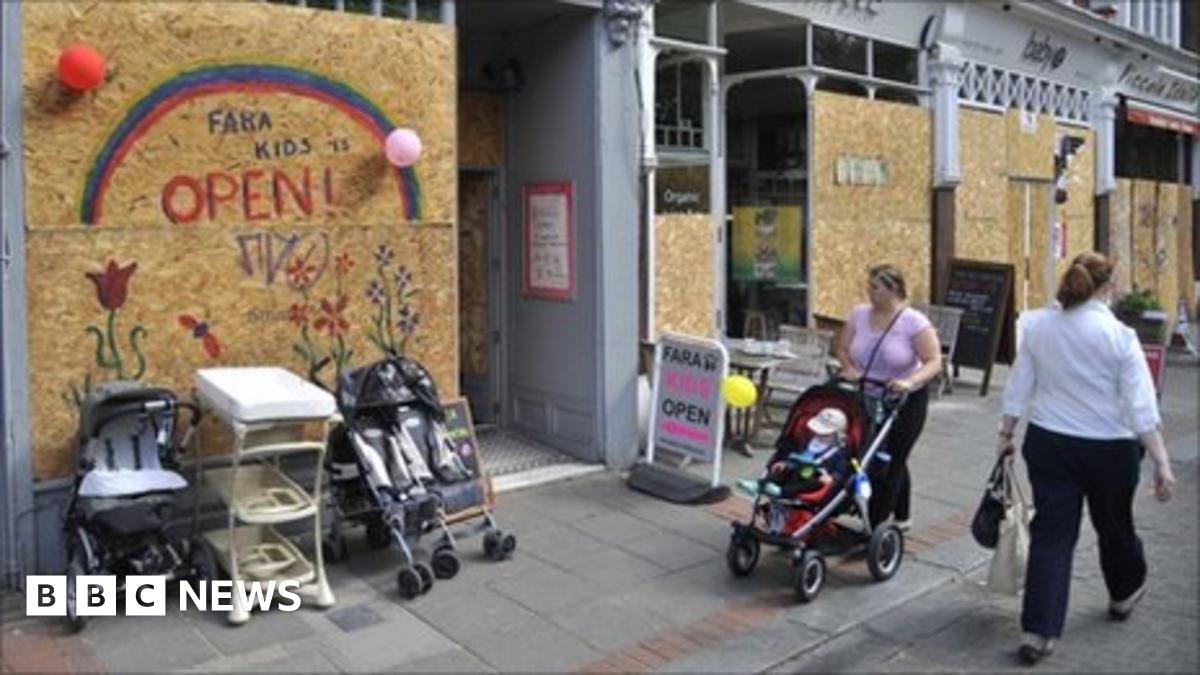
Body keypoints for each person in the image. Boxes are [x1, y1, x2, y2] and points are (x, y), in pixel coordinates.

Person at [997, 252, 1175, 666]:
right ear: (1107, 288)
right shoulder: (1120, 337)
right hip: (1111, 449)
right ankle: (1125, 591)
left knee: (1052, 536)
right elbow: (1141, 407)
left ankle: (1038, 631)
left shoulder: (1039, 327)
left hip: (1050, 442)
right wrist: (1162, 462)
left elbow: (1019, 385)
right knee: (1115, 526)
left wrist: (1005, 432)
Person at [834, 264, 942, 530]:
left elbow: (934, 361)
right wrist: (848, 368)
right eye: (869, 287)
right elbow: (843, 348)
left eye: (875, 288)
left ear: (893, 289)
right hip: (866, 395)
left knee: (893, 457)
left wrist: (909, 381)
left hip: (904, 399)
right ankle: (902, 515)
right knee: (870, 452)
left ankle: (877, 519)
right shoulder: (859, 315)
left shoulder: (913, 322)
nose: (869, 293)